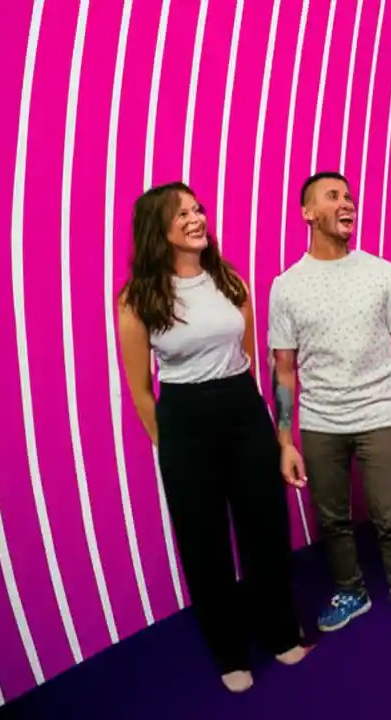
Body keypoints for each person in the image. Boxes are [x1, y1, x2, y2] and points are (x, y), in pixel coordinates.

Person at [117, 182, 310, 693]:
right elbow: (140, 389)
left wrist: (278, 434)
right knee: (204, 546)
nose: (196, 217)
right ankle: (229, 653)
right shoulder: (137, 299)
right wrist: (172, 446)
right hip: (183, 420)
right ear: (159, 228)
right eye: (182, 213)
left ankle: (281, 632)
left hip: (243, 410)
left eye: (198, 208)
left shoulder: (230, 281)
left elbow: (247, 360)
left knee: (265, 531)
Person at [268, 171, 391, 650]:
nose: (347, 203)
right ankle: (350, 591)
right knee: (332, 518)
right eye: (333, 196)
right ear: (307, 212)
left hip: (380, 411)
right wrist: (285, 441)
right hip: (320, 420)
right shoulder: (287, 286)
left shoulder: (381, 272)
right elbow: (285, 370)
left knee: (390, 515)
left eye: (350, 197)